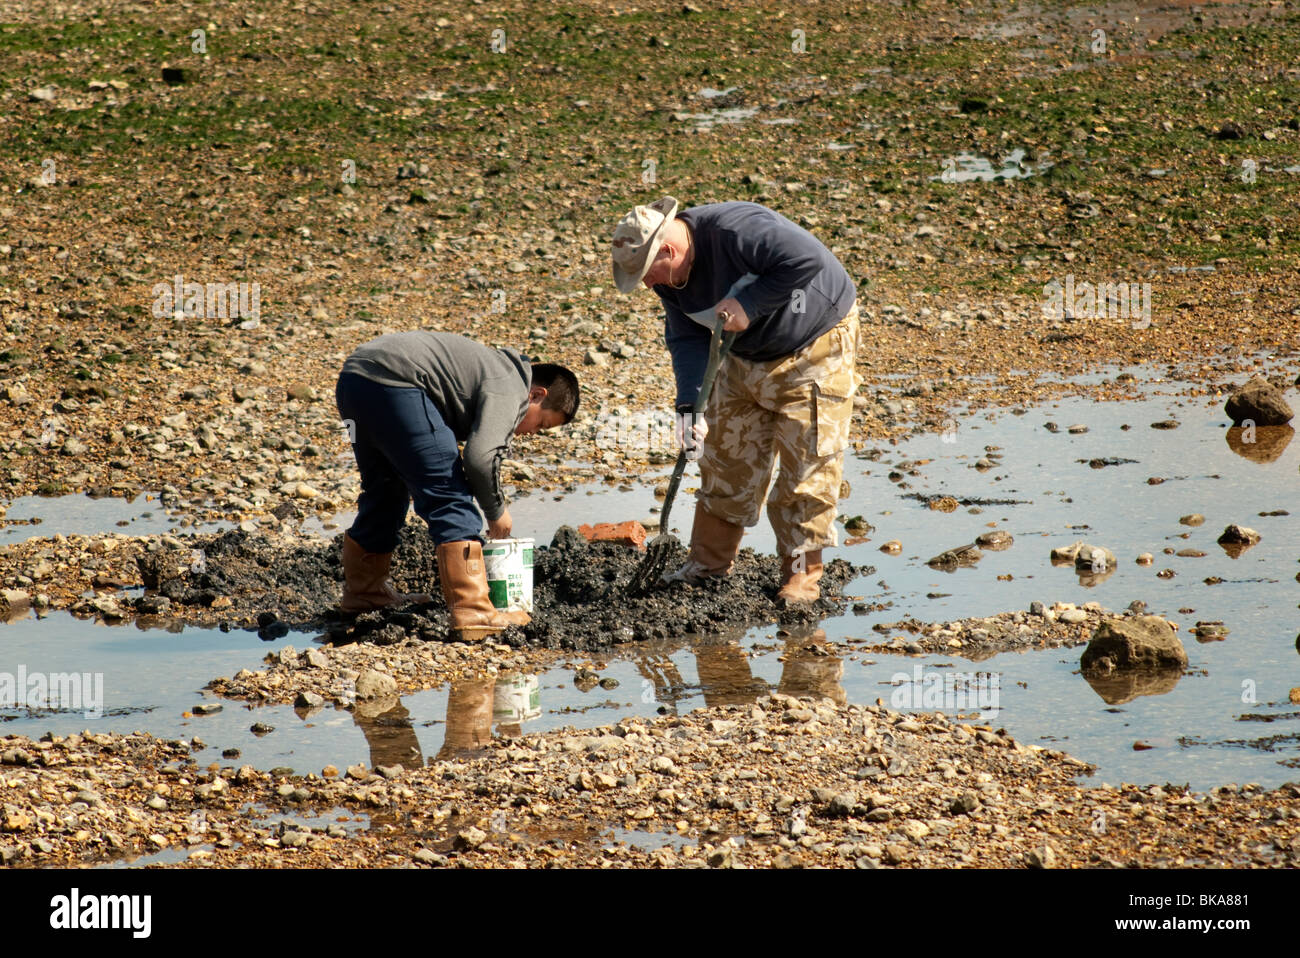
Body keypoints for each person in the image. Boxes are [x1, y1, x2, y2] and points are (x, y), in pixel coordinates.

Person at [611, 197, 859, 602]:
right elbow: (687, 336)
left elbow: (807, 259)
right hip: (741, 354)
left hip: (814, 344)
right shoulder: (670, 277)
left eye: (645, 274)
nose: (646, 284)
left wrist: (750, 303)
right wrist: (689, 406)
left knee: (807, 470)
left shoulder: (737, 232)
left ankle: (801, 578)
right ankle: (706, 567)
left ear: (668, 251)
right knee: (724, 457)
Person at [334, 330, 579, 640]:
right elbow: (479, 457)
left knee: (386, 489)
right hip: (398, 383)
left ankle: (364, 593)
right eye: (541, 424)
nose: (532, 433)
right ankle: (473, 610)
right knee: (448, 490)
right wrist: (496, 510)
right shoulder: (510, 386)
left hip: (356, 380)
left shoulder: (493, 370)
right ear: (536, 395)